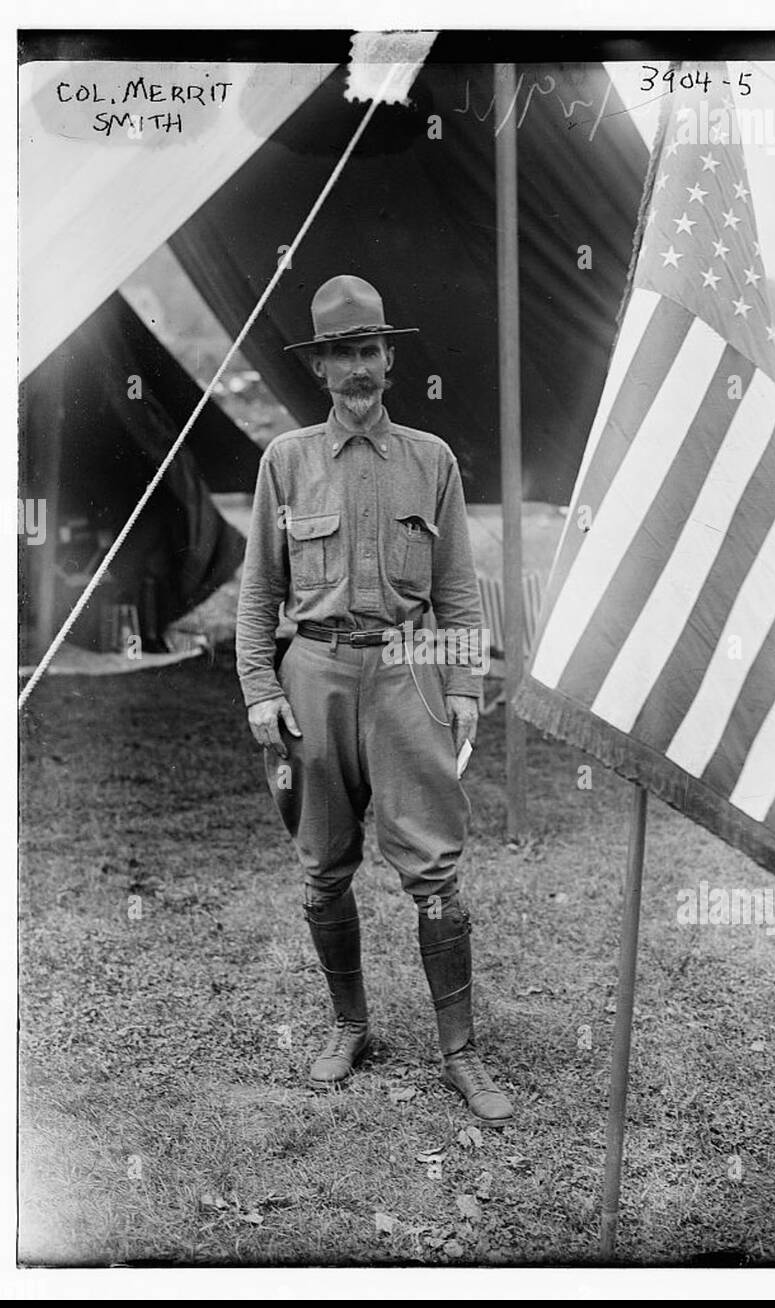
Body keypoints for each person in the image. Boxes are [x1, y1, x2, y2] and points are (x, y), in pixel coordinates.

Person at [236, 275, 513, 1127]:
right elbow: (257, 594)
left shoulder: (431, 460)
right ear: (319, 368)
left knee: (433, 868)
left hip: (405, 669)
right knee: (322, 868)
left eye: (369, 351)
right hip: (312, 676)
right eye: (339, 354)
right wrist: (257, 691)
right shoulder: (284, 461)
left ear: (390, 359)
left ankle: (460, 1053)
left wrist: (463, 684)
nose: (356, 369)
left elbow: (459, 592)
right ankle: (348, 1025)